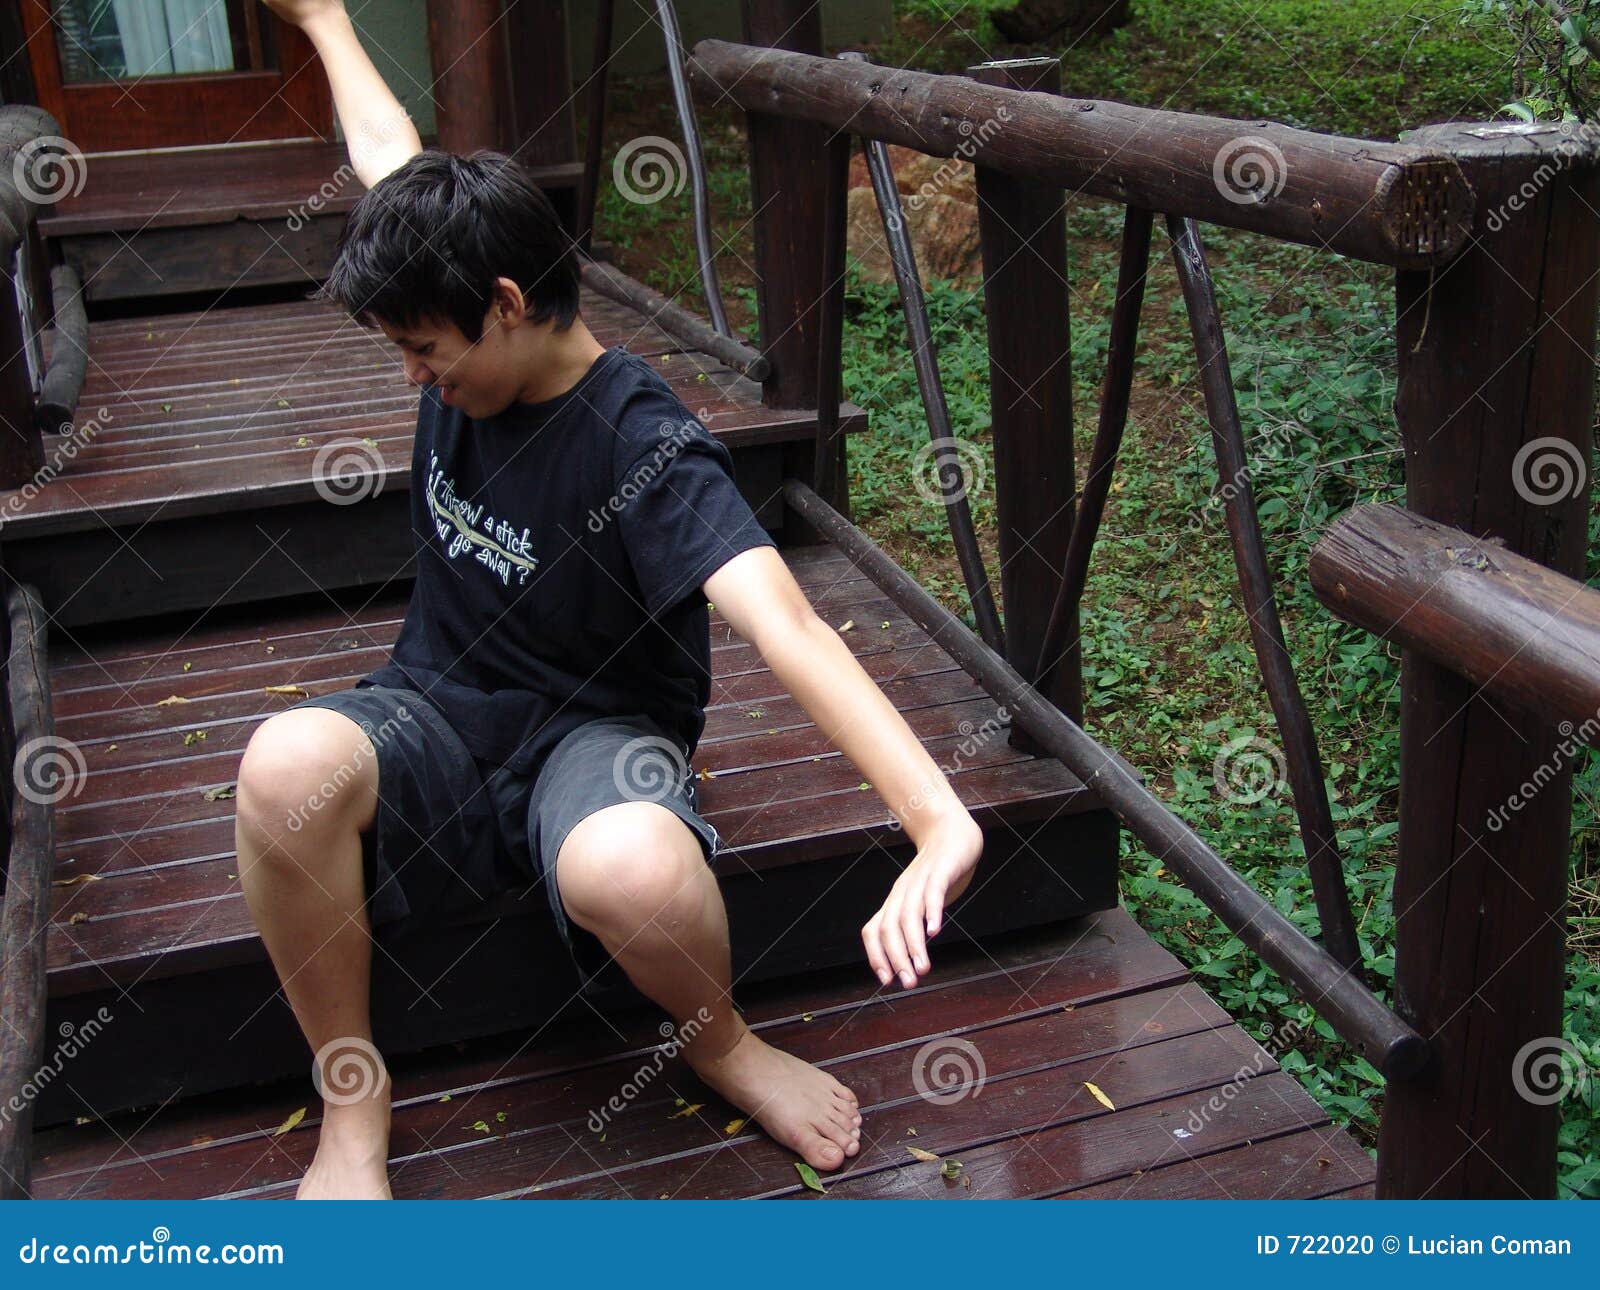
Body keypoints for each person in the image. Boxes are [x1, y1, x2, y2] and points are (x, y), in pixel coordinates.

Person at [238, 0, 984, 1200]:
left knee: (631, 868)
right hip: (438, 705)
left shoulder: (645, 447)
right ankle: (353, 1102)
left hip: (600, 741)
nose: (414, 376)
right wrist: (324, 19)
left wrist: (938, 822)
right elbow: (392, 160)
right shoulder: (457, 297)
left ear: (509, 302)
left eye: (427, 351)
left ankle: (725, 1044)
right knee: (281, 765)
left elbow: (787, 627)